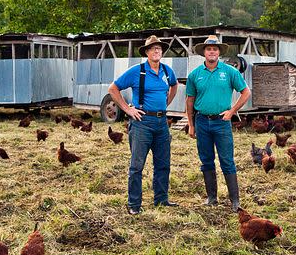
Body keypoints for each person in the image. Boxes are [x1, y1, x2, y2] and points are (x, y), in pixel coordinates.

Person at [107, 35, 179, 215]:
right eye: (153, 48)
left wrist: (164, 104)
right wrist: (127, 109)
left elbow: (175, 86)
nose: (156, 51)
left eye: (159, 49)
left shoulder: (167, 71)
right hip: (142, 123)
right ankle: (134, 204)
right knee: (137, 165)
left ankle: (161, 200)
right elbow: (113, 89)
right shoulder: (137, 71)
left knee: (163, 163)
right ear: (146, 52)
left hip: (162, 123)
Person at [185, 35, 250, 210]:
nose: (212, 52)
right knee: (206, 160)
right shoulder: (195, 75)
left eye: (215, 49)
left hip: (221, 122)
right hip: (202, 121)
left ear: (219, 52)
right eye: (209, 49)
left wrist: (232, 111)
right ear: (204, 53)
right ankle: (212, 197)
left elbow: (245, 92)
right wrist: (191, 124)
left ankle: (235, 200)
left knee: (227, 160)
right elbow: (190, 100)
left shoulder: (230, 72)